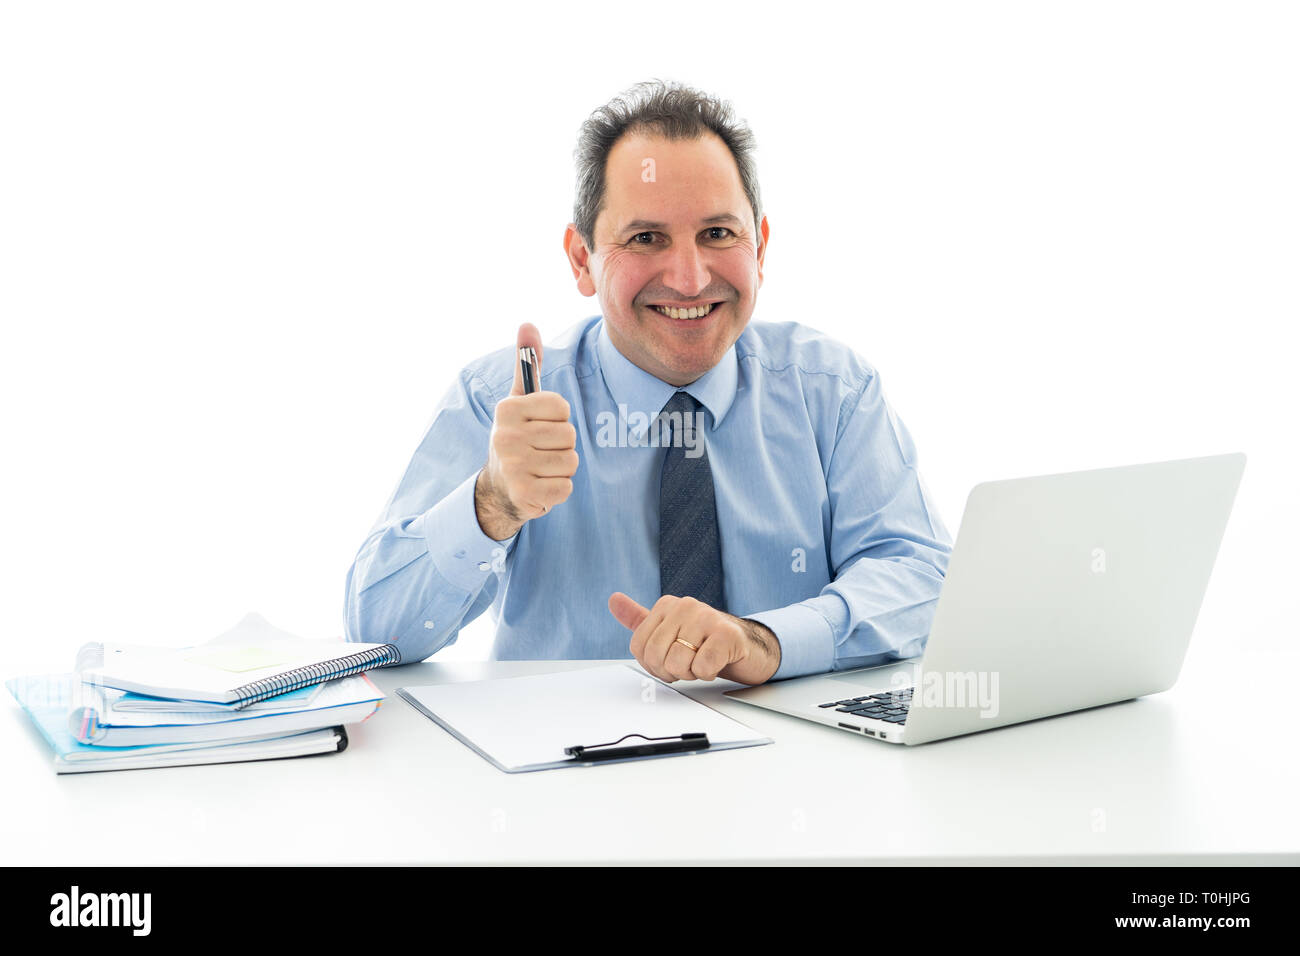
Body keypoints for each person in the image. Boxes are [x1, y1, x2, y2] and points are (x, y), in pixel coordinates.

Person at [343, 80, 952, 686]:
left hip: (793, 763)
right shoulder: (502, 403)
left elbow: (923, 579)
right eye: (645, 239)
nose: (689, 280)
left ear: (760, 246)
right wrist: (491, 503)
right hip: (563, 769)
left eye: (717, 234)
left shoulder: (834, 390)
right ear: (583, 260)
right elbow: (377, 633)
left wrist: (768, 641)